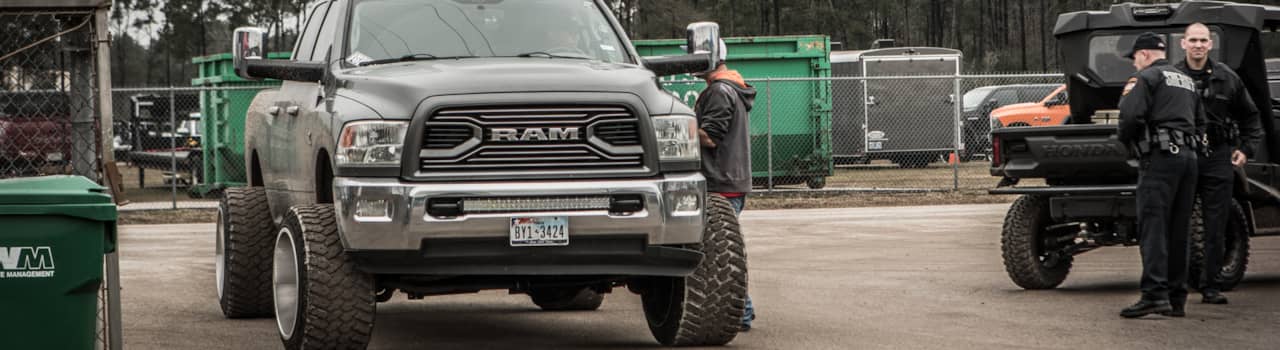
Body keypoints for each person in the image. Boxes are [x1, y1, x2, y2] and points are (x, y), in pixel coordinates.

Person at [1174, 22, 1264, 305]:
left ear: (1210, 44)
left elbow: (1251, 117)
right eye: (1193, 40)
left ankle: (1210, 286)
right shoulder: (1172, 77)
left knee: (1216, 225)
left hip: (1218, 157)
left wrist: (1246, 149)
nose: (1198, 45)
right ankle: (1175, 285)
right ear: (1183, 43)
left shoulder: (1227, 78)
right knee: (1176, 223)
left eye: (1203, 40)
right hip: (1184, 157)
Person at [1117, 32, 1204, 319]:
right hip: (1189, 159)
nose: (1134, 65)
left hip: (1161, 159)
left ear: (1143, 54)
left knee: (1153, 228)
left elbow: (1129, 116)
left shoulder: (1146, 78)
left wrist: (1131, 145)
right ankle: (1176, 298)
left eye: (1134, 59)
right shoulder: (1187, 80)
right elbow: (1201, 123)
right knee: (1179, 230)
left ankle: (1154, 295)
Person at [693, 39, 758, 330]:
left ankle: (741, 312)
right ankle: (743, 310)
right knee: (721, 252)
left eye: (696, 57)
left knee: (717, 255)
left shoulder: (720, 91)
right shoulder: (730, 88)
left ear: (712, 58)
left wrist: (677, 126)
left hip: (720, 182)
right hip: (730, 180)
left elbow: (710, 137)